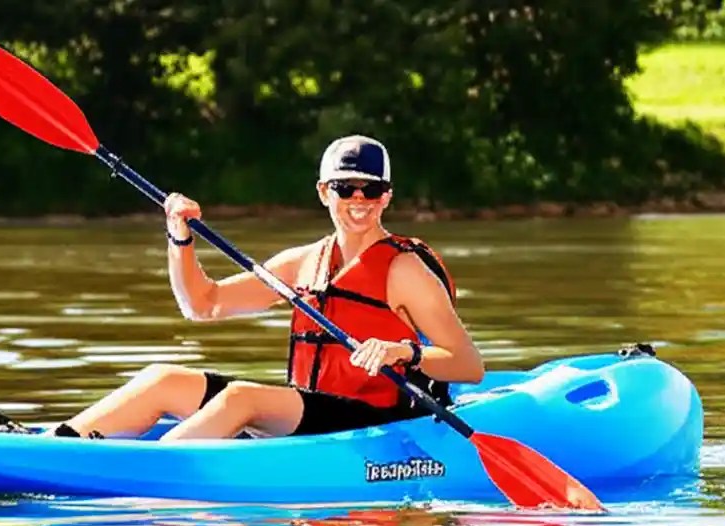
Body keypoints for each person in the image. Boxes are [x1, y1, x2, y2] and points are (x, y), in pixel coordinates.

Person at [49, 135, 484, 441]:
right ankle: (60, 444)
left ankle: (145, 473)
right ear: (323, 192)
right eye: (345, 188)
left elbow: (467, 365)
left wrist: (401, 352)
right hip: (309, 410)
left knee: (242, 398)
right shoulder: (302, 263)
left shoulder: (403, 269)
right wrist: (179, 237)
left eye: (371, 190)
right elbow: (204, 304)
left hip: (372, 420)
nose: (358, 200)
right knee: (162, 379)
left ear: (386, 197)